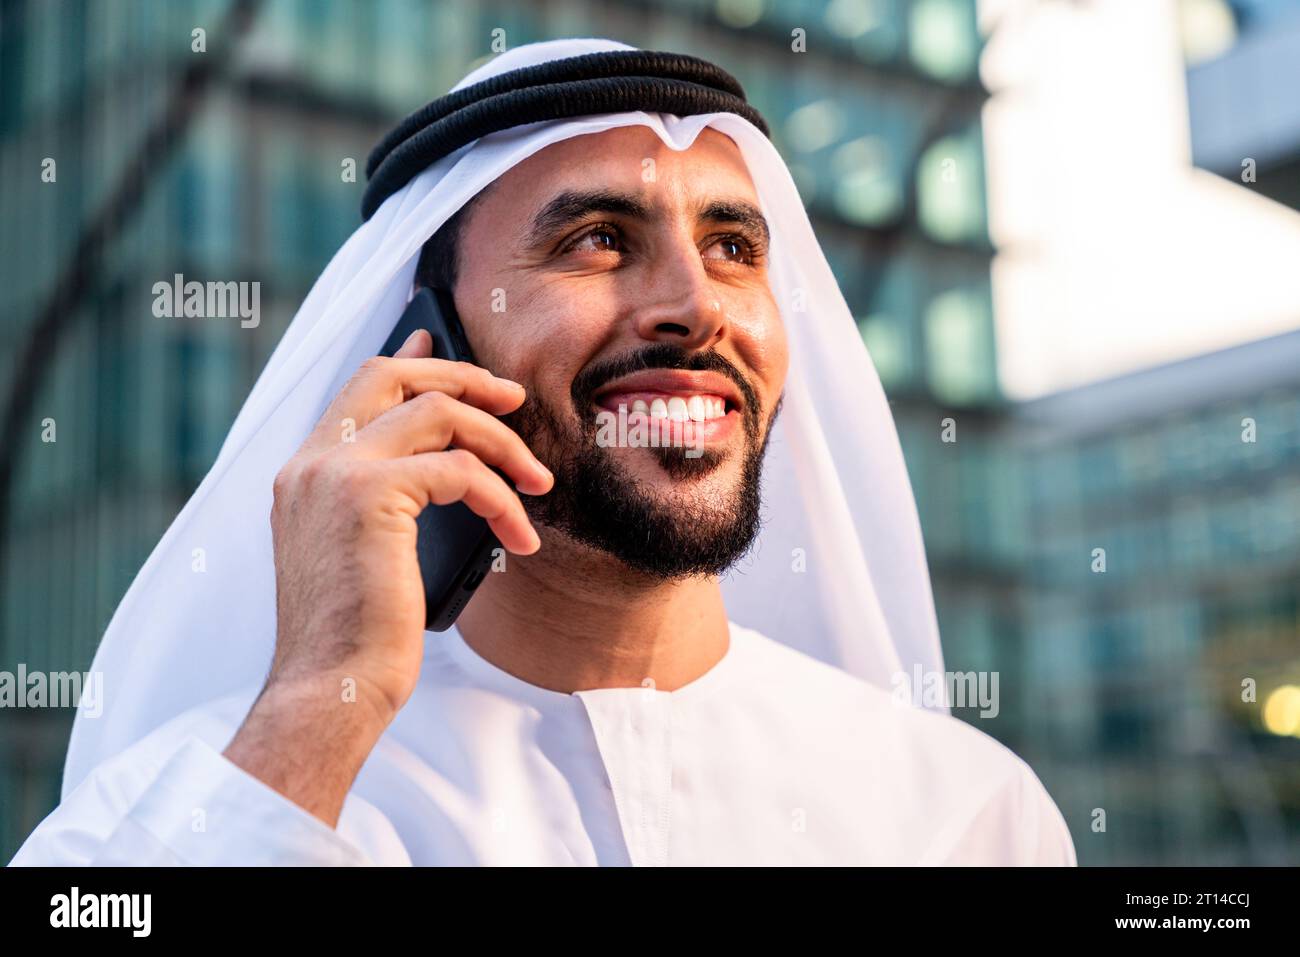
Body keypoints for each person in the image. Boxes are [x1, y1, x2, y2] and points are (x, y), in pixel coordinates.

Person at [10, 38, 1075, 866]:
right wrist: (314, 712)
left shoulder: (969, 812)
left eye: (734, 249)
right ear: (430, 341)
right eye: (597, 239)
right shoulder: (166, 814)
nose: (694, 307)